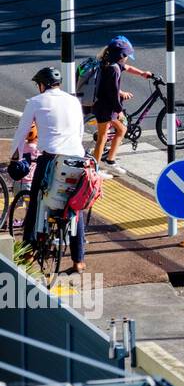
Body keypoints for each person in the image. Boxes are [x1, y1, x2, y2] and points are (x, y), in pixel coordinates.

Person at [9, 67, 89, 273]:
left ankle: (27, 252)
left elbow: (21, 132)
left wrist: (15, 157)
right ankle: (78, 261)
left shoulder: (35, 102)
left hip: (51, 160)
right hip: (77, 159)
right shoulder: (73, 101)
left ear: (41, 85)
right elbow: (80, 131)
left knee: (36, 201)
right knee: (75, 206)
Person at [89, 36, 153, 171]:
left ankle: (110, 161)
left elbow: (127, 68)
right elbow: (112, 92)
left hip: (104, 105)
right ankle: (95, 170)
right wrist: (118, 111)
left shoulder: (108, 62)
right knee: (103, 138)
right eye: (127, 55)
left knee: (121, 129)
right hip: (105, 107)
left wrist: (142, 73)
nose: (128, 58)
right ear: (121, 55)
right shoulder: (113, 69)